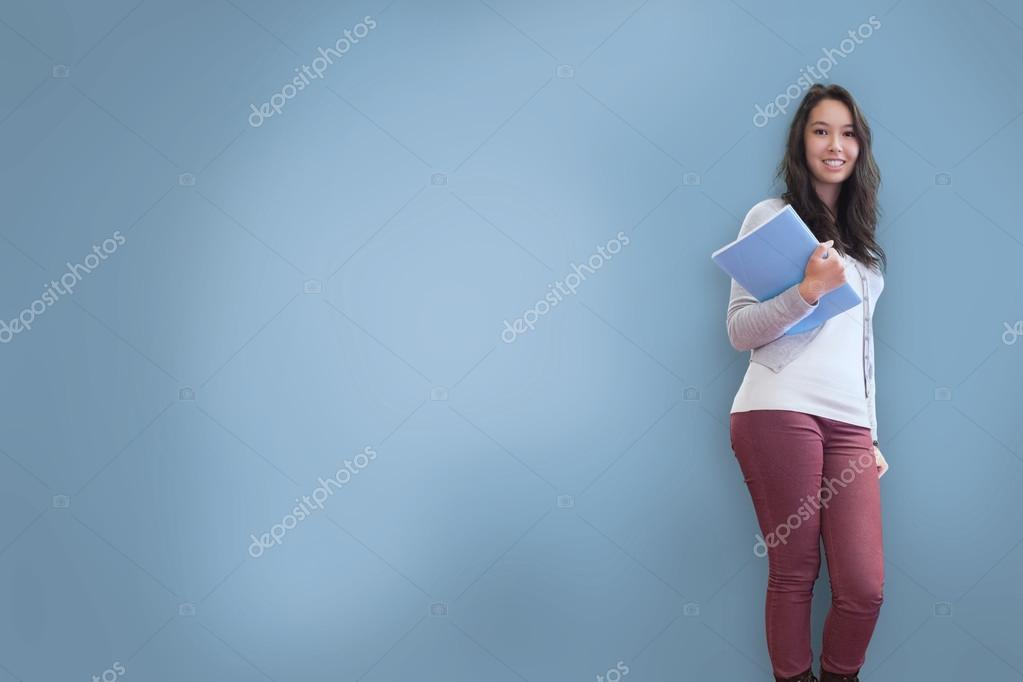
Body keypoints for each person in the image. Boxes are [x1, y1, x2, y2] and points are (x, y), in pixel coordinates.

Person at [727, 83, 889, 682]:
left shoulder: (868, 255)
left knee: (864, 587)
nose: (835, 144)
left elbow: (864, 355)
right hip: (778, 408)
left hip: (850, 424)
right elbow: (741, 331)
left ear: (859, 147)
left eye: (847, 132)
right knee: (794, 572)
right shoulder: (771, 219)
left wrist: (871, 434)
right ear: (802, 141)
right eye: (821, 130)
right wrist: (808, 290)